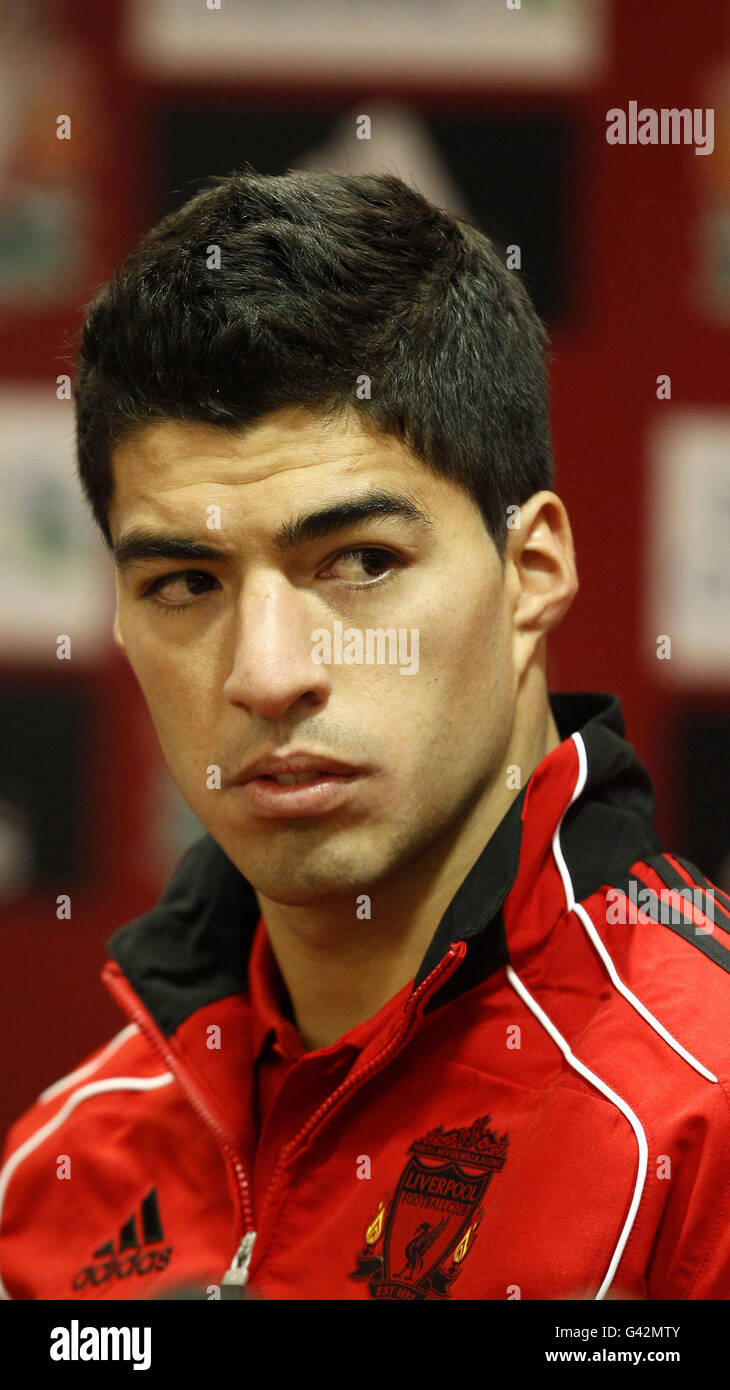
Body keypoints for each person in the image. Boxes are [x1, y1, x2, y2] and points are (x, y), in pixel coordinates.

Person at [2, 169, 729, 1302]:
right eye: (186, 582)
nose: (266, 675)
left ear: (532, 570)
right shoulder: (53, 1179)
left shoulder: (704, 1118)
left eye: (359, 563)